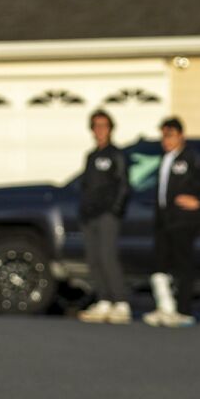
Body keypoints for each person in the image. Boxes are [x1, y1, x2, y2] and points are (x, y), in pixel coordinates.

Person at [142, 117, 200, 327]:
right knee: (160, 264)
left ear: (181, 136)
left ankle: (184, 311)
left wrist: (199, 199)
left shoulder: (191, 157)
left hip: (184, 221)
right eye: (164, 136)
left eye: (171, 135)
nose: (166, 140)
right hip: (165, 220)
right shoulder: (165, 159)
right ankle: (165, 306)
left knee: (183, 264)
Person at [77, 109, 132, 324]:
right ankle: (104, 299)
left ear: (110, 129)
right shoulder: (91, 156)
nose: (100, 130)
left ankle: (121, 302)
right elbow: (86, 186)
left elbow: (123, 185)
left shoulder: (116, 155)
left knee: (108, 256)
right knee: (94, 258)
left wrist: (114, 209)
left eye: (104, 126)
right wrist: (84, 210)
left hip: (107, 214)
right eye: (96, 126)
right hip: (90, 216)